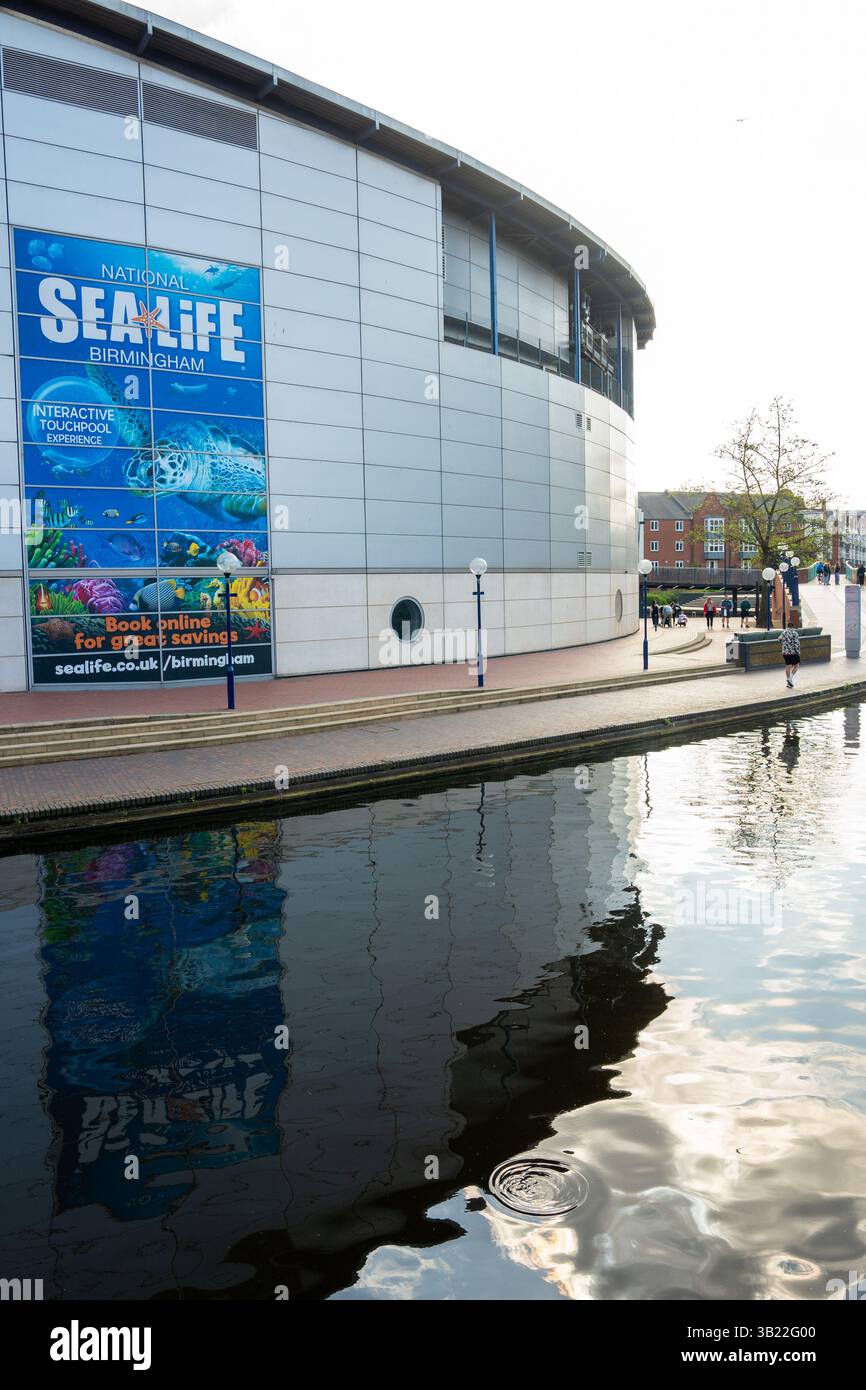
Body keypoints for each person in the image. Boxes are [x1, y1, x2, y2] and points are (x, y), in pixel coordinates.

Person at [780, 620, 801, 687]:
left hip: (785, 652)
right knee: (796, 665)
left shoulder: (784, 632)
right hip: (793, 652)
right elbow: (797, 644)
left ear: (787, 626)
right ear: (793, 627)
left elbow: (779, 639)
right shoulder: (795, 633)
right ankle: (790, 678)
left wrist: (784, 643)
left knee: (788, 666)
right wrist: (798, 652)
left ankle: (788, 683)